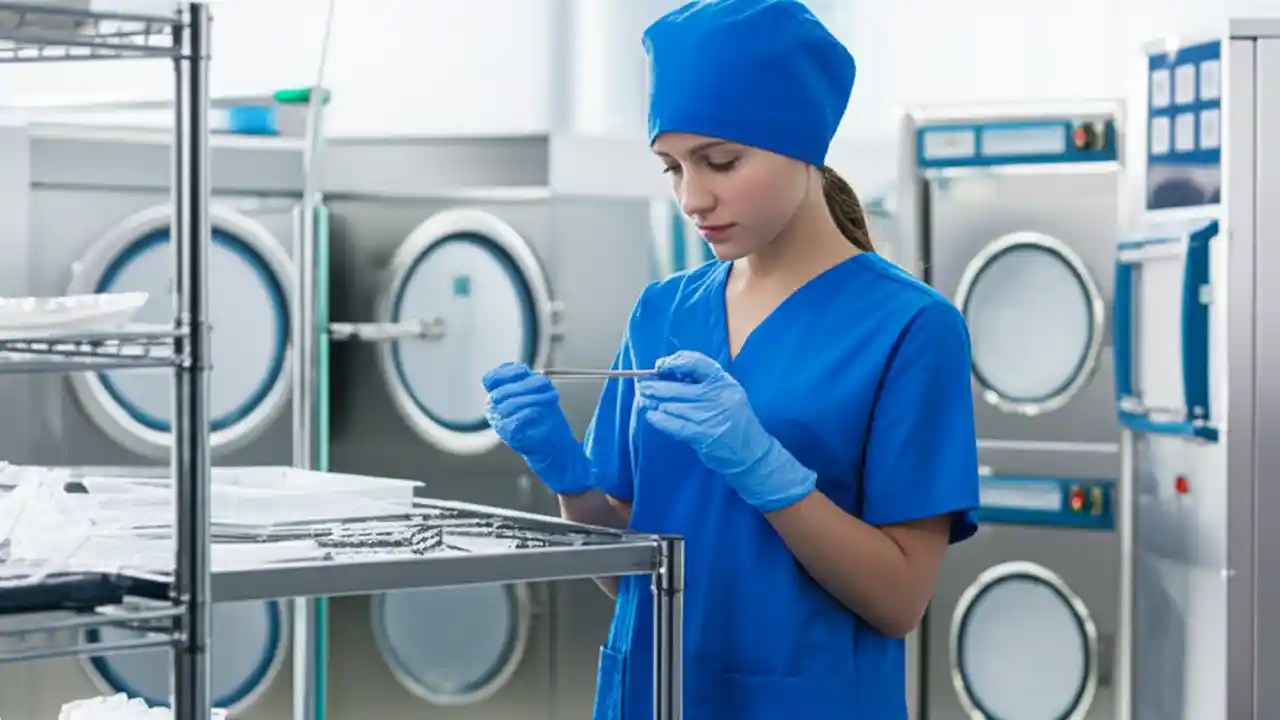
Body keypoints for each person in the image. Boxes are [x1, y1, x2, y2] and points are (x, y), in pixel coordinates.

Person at [481, 0, 980, 717]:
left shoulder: (910, 327)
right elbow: (629, 576)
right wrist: (568, 479)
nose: (693, 197)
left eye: (720, 161)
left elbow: (899, 600)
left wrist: (765, 470)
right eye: (671, 168)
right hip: (655, 692)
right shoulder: (664, 311)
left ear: (802, 144)